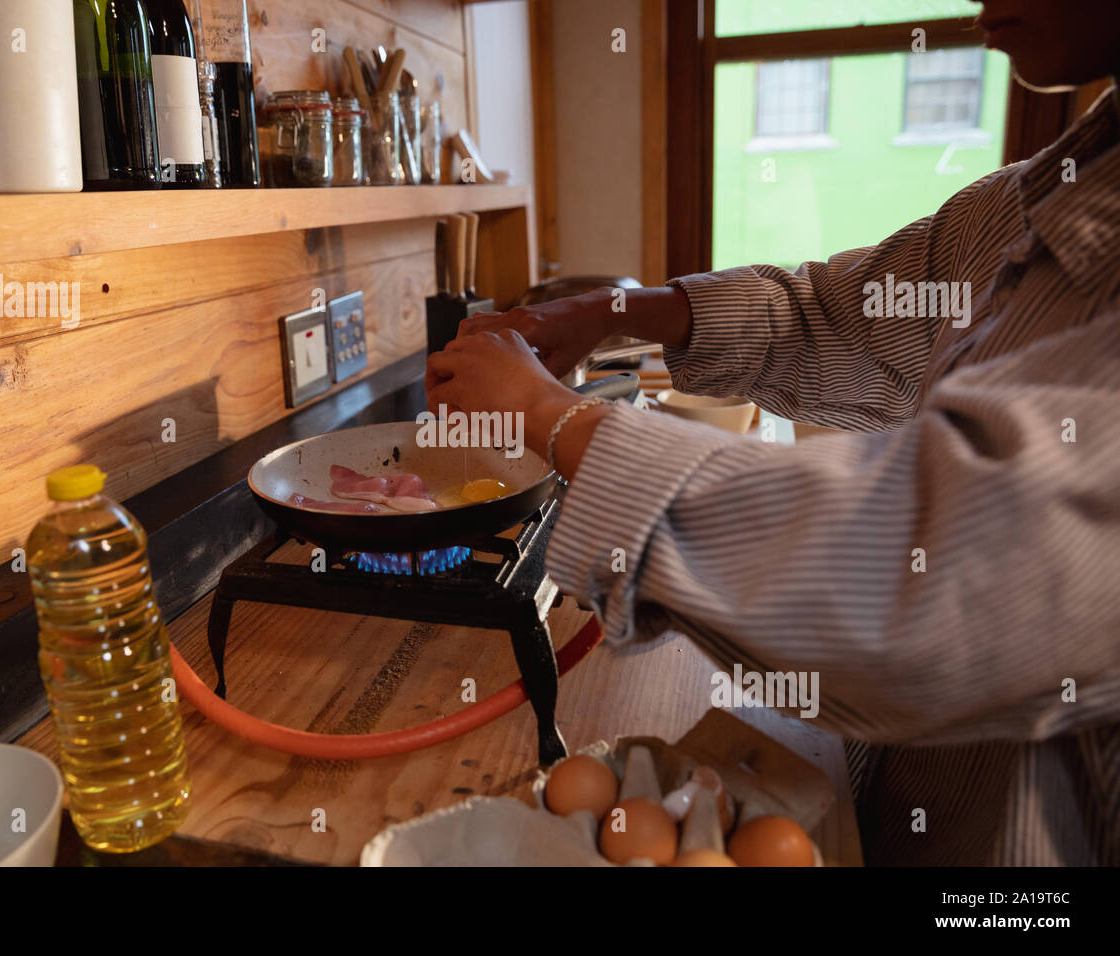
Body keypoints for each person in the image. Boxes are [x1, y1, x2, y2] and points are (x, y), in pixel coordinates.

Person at [425, 0, 1120, 866]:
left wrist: (548, 415)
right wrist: (609, 311)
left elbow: (929, 567)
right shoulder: (1041, 191)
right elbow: (836, 315)